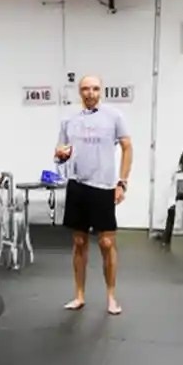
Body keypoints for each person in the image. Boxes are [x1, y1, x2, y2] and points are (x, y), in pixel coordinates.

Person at [55, 75, 133, 315]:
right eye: (86, 89)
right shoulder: (69, 119)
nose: (90, 93)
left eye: (95, 88)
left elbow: (127, 147)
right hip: (77, 185)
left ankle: (111, 297)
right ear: (80, 92)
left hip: (103, 187)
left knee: (107, 243)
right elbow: (58, 153)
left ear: (101, 91)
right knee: (79, 243)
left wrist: (122, 183)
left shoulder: (114, 116)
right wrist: (61, 155)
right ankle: (79, 295)